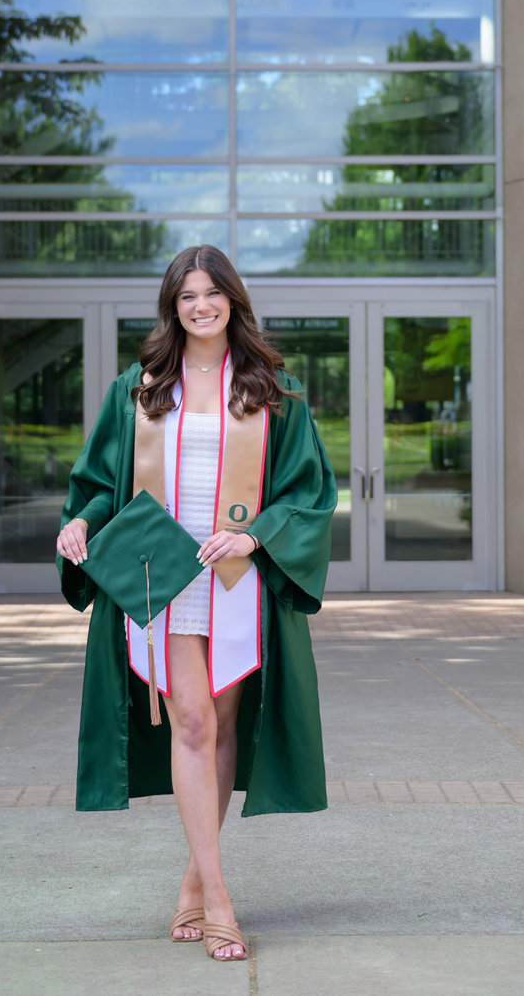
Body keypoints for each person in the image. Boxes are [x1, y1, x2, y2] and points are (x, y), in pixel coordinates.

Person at [56, 244, 337, 962]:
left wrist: (254, 538)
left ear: (232, 301)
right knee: (188, 723)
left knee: (219, 725)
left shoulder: (274, 389)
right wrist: (81, 520)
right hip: (160, 577)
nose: (200, 306)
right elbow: (94, 480)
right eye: (186, 296)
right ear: (171, 306)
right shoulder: (142, 387)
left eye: (211, 293)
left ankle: (191, 879)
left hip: (234, 583)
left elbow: (308, 495)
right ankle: (219, 901)